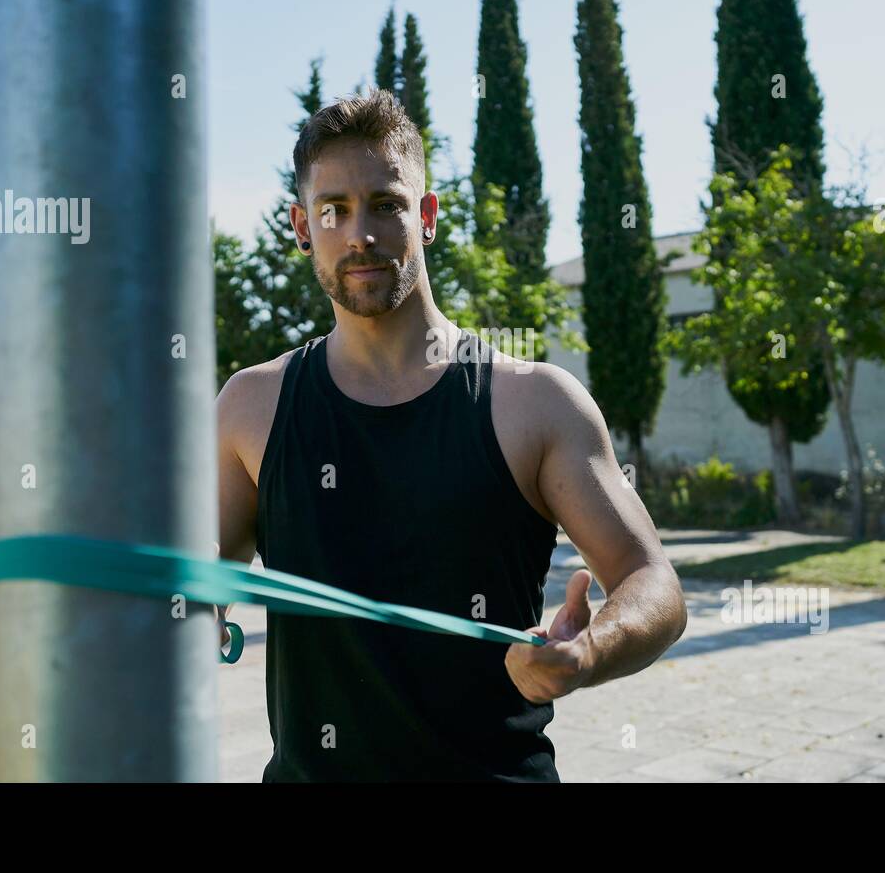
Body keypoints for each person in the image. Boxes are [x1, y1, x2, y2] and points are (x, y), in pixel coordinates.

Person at [215, 89, 687, 782]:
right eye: (333, 210)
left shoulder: (535, 403)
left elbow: (655, 584)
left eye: (386, 203)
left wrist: (585, 654)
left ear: (427, 216)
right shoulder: (251, 406)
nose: (359, 234)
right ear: (300, 225)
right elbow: (196, 581)